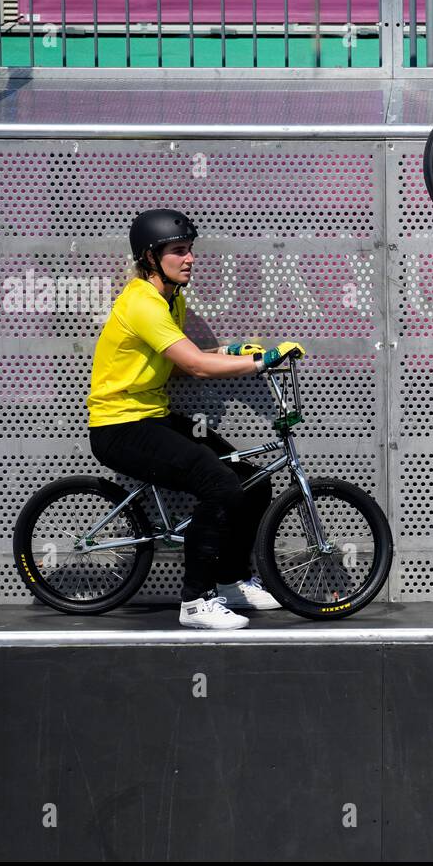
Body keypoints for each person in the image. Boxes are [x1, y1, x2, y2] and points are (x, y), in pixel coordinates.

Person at [87, 209, 304, 629]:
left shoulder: (173, 300)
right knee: (219, 485)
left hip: (152, 416)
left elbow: (185, 365)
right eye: (178, 251)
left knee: (252, 481)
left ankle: (230, 580)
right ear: (151, 258)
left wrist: (235, 351)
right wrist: (263, 361)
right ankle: (196, 601)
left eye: (190, 251)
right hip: (119, 427)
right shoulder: (142, 302)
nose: (190, 259)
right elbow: (199, 368)